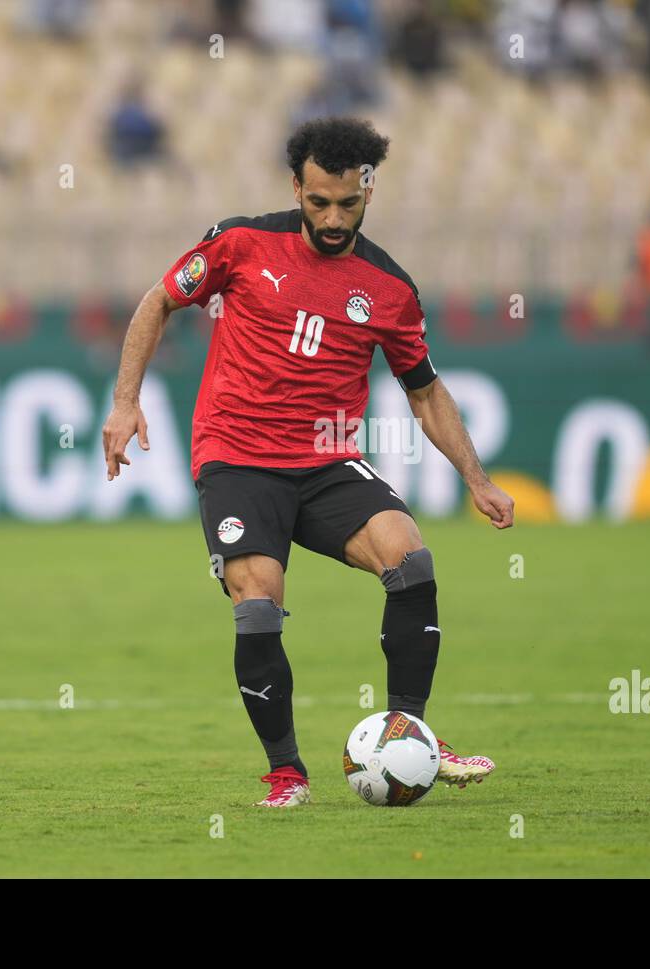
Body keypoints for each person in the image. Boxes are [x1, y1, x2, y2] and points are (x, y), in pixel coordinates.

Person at [101, 117, 512, 807]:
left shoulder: (388, 288)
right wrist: (124, 400)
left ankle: (412, 732)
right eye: (317, 201)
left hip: (326, 462)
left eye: (346, 204)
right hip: (236, 459)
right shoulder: (239, 243)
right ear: (296, 187)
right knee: (258, 602)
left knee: (410, 559)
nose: (330, 216)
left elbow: (426, 391)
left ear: (368, 193)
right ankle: (286, 771)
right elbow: (159, 299)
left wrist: (477, 478)